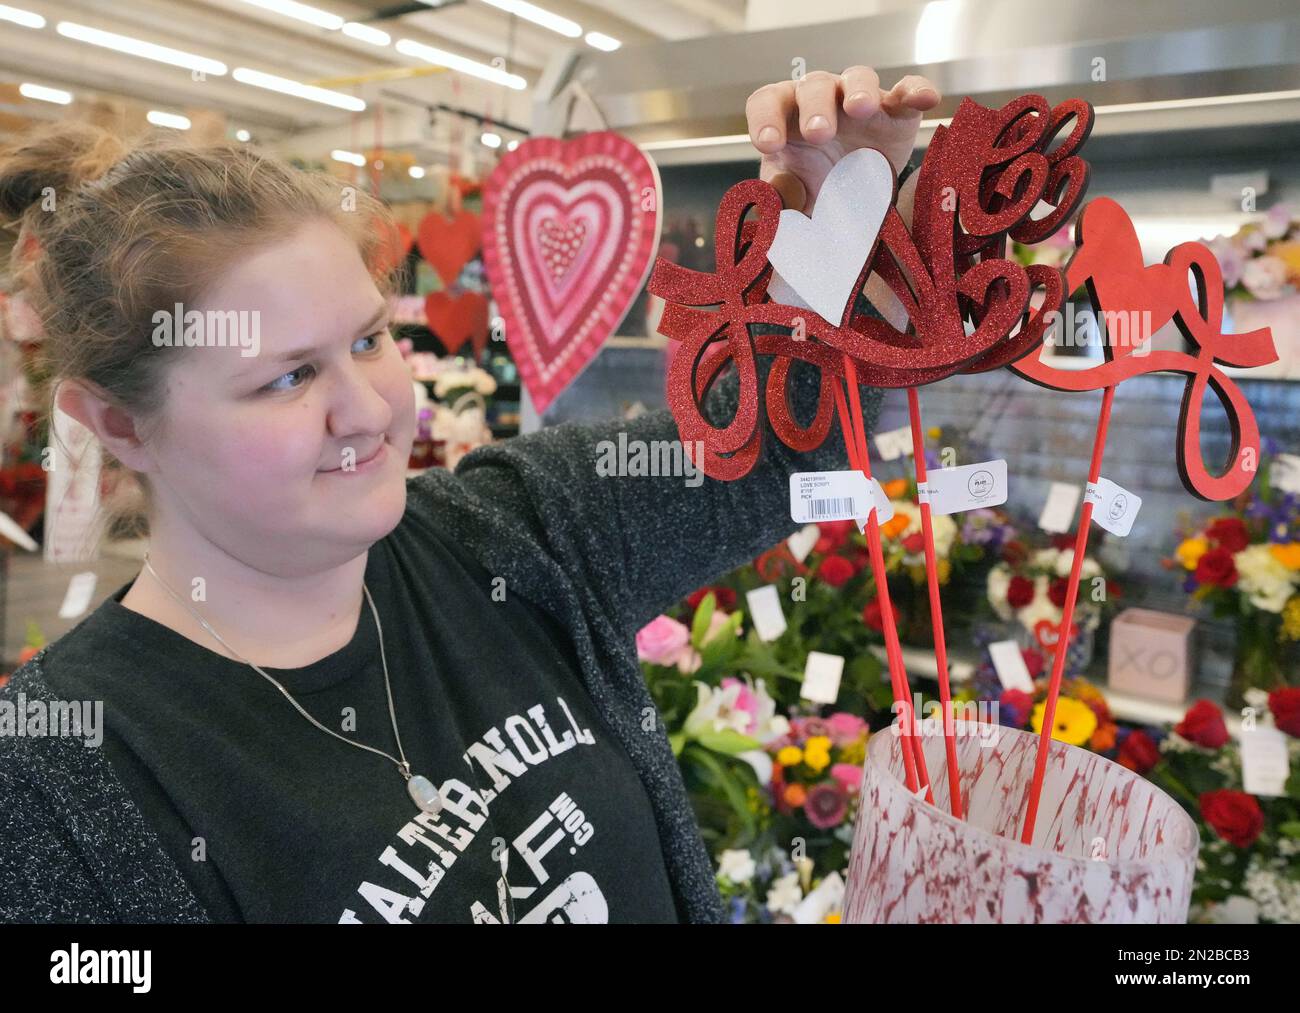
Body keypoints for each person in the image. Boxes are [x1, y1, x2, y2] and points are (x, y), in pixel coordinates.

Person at [0, 67, 939, 924]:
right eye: (286, 379)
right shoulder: (63, 783)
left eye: (368, 340)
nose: (367, 411)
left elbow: (779, 449)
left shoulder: (513, 531)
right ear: (117, 425)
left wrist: (849, 219)